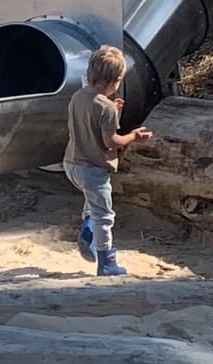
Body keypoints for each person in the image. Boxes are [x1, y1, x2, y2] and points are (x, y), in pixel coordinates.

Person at [63, 45, 153, 277]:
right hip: (93, 168)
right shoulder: (105, 108)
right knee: (105, 215)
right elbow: (111, 141)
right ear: (117, 80)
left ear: (90, 73)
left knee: (91, 200)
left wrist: (115, 113)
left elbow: (91, 124)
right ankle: (106, 260)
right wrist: (134, 136)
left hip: (72, 164)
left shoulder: (78, 97)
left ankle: (87, 229)